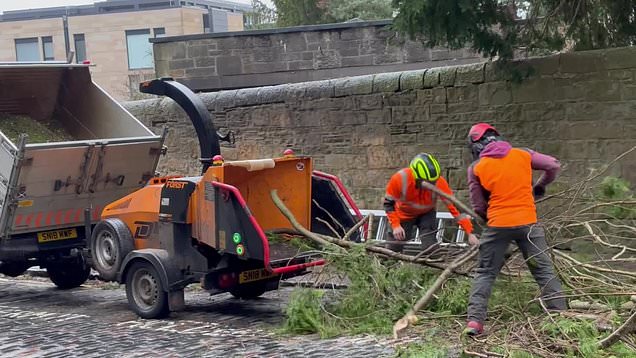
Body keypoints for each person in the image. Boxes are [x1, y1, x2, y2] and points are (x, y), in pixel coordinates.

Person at [464, 123, 567, 336]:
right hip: (528, 223)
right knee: (543, 270)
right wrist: (538, 187)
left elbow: (478, 205)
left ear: (475, 146)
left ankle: (475, 322)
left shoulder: (476, 168)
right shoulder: (523, 154)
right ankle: (560, 317)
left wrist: (487, 218)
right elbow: (553, 165)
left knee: (485, 273)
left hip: (498, 225)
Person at [383, 153, 477, 253]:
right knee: (394, 248)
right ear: (416, 177)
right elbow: (388, 204)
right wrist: (395, 225)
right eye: (427, 182)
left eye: (433, 182)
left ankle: (431, 264)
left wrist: (470, 232)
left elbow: (454, 207)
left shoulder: (439, 182)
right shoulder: (400, 179)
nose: (431, 185)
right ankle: (388, 265)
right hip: (403, 215)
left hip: (426, 214)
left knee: (430, 246)